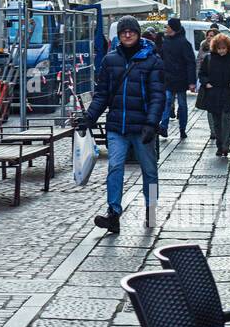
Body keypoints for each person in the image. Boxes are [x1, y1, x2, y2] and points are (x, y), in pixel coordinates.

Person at [71, 16, 165, 234]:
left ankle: (151, 209)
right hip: (117, 127)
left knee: (149, 171)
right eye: (124, 32)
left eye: (132, 31)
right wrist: (89, 118)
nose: (128, 35)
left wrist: (152, 123)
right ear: (119, 35)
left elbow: (158, 95)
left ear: (138, 34)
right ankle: (113, 213)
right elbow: (102, 94)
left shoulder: (152, 60)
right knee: (114, 168)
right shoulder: (110, 60)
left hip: (142, 127)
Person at [199, 33, 230, 157]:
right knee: (216, 121)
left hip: (227, 93)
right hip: (213, 93)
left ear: (228, 47)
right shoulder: (209, 59)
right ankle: (220, 145)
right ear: (215, 48)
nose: (221, 51)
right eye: (219, 48)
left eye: (224, 48)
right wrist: (206, 83)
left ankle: (225, 145)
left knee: (226, 119)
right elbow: (202, 73)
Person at [159, 17, 197, 141]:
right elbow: (161, 59)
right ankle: (163, 127)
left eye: (168, 26)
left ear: (173, 28)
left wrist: (191, 82)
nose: (166, 28)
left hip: (180, 78)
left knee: (182, 104)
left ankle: (182, 129)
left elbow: (191, 62)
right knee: (167, 101)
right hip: (168, 78)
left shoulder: (184, 43)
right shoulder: (166, 41)